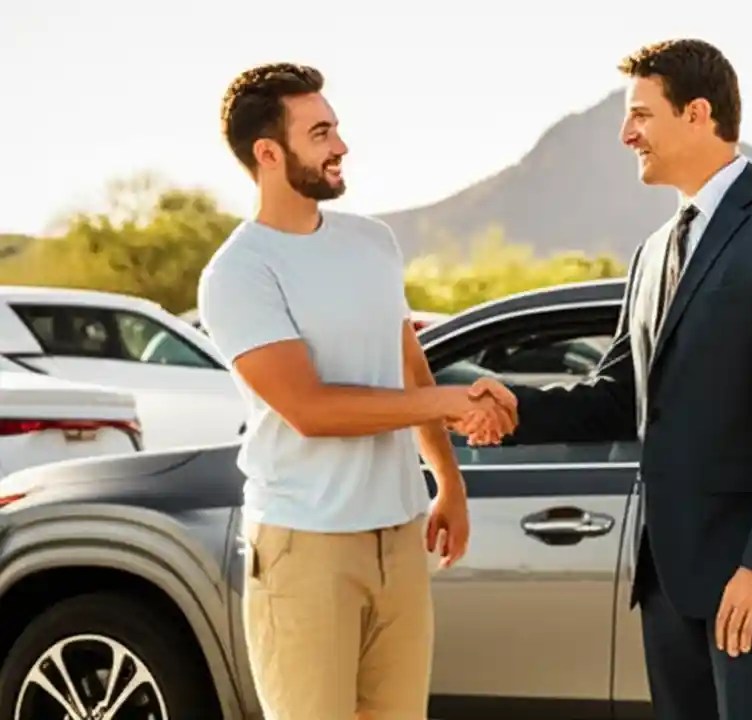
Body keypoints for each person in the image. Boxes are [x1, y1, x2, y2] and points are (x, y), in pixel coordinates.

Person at [460, 39, 752, 720]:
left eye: (641, 114)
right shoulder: (651, 252)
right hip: (667, 578)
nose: (626, 133)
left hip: (751, 578)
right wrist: (513, 406)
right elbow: (620, 394)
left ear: (697, 113)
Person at [198, 62, 512, 720]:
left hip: (397, 536)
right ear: (268, 153)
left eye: (335, 127)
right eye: (320, 132)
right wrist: (449, 407)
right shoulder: (240, 272)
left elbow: (409, 369)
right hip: (304, 547)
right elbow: (311, 409)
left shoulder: (373, 242)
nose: (340, 145)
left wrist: (447, 481)